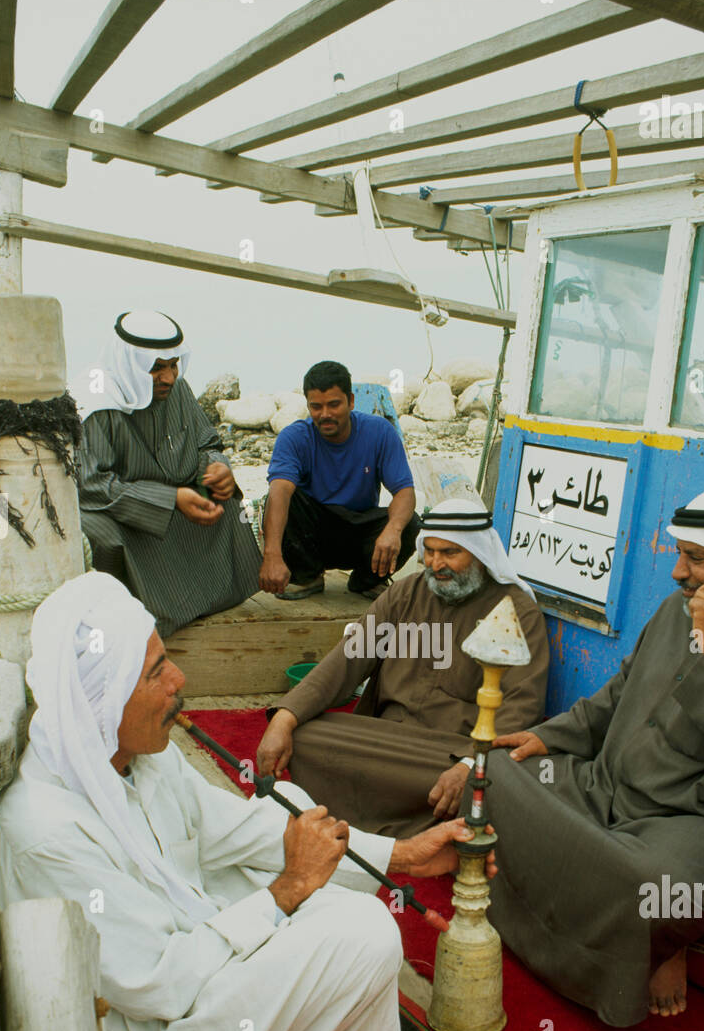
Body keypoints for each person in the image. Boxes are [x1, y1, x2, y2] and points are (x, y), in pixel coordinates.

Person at [0, 573, 493, 1031]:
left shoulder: (137, 757)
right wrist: (286, 894)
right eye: (155, 672)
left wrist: (403, 855)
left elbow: (241, 828)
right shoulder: (45, 834)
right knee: (366, 928)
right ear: (100, 701)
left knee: (298, 835)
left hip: (194, 945)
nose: (180, 681)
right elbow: (156, 985)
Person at [477, 484, 704, 1027]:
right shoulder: (677, 609)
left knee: (654, 887)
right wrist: (552, 737)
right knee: (491, 775)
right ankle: (639, 935)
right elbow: (621, 692)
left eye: (697, 559)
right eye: (680, 554)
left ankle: (651, 948)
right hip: (610, 788)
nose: (678, 573)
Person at [257, 499, 550, 837]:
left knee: (483, 785)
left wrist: (470, 764)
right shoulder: (407, 593)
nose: (436, 564)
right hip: (384, 737)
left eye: (450, 553)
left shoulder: (517, 611)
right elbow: (347, 659)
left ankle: (397, 818)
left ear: (480, 555)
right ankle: (419, 823)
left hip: (446, 754)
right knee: (304, 735)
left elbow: (522, 707)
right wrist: (285, 717)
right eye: (430, 551)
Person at [72, 310, 261, 638]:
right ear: (129, 363)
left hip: (176, 495)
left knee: (226, 503)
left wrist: (218, 467)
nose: (169, 377)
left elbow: (206, 442)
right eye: (157, 368)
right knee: (105, 538)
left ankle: (200, 604)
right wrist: (169, 499)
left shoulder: (177, 390)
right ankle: (133, 622)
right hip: (122, 507)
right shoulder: (97, 402)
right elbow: (90, 485)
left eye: (173, 365)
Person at [260, 359, 420, 601]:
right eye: (316, 407)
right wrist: (271, 556)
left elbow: (405, 491)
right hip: (312, 535)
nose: (325, 414)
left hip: (358, 528)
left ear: (351, 401)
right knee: (282, 497)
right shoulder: (293, 437)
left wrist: (393, 530)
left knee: (410, 523)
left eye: (334, 405)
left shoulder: (379, 431)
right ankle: (307, 576)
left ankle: (366, 580)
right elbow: (279, 491)